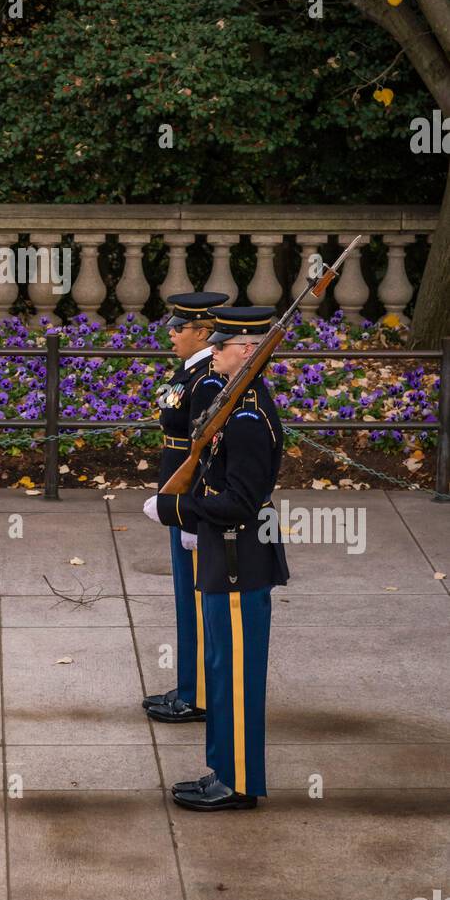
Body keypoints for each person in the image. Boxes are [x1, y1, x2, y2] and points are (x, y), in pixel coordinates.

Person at [155, 306, 289, 811]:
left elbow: (241, 500)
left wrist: (179, 508)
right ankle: (225, 771)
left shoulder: (250, 416)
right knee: (223, 667)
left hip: (240, 557)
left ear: (251, 352)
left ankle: (238, 783)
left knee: (235, 678)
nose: (213, 351)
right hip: (223, 550)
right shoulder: (237, 401)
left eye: (224, 346)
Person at [141, 292, 228, 723]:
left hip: (190, 501)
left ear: (203, 332)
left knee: (196, 601)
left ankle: (199, 695)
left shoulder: (209, 379)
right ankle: (190, 686)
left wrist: (192, 514)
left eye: (180, 327)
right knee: (184, 597)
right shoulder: (191, 371)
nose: (171, 332)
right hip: (178, 495)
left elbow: (208, 454)